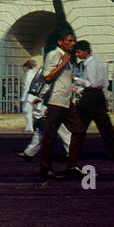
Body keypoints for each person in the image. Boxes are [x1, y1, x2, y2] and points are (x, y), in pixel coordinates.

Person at [37, 25, 86, 181]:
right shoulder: (54, 55)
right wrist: (63, 62)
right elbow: (48, 77)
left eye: (74, 41)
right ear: (60, 42)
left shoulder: (67, 56)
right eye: (69, 41)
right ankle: (45, 169)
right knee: (50, 135)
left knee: (79, 129)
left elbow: (65, 78)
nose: (73, 43)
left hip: (66, 100)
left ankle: (71, 165)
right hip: (56, 100)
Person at [71, 40, 114, 162]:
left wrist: (75, 79)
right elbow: (104, 82)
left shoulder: (90, 65)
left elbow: (91, 83)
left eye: (78, 52)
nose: (76, 55)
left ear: (85, 51)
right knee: (105, 125)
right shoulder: (99, 63)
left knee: (79, 125)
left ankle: (74, 153)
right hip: (99, 95)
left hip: (90, 96)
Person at [19, 59, 38, 133]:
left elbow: (27, 88)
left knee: (27, 111)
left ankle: (29, 128)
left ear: (26, 67)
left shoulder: (28, 75)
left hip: (29, 96)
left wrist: (23, 98)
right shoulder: (35, 73)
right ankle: (33, 127)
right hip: (35, 96)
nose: (23, 70)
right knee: (34, 113)